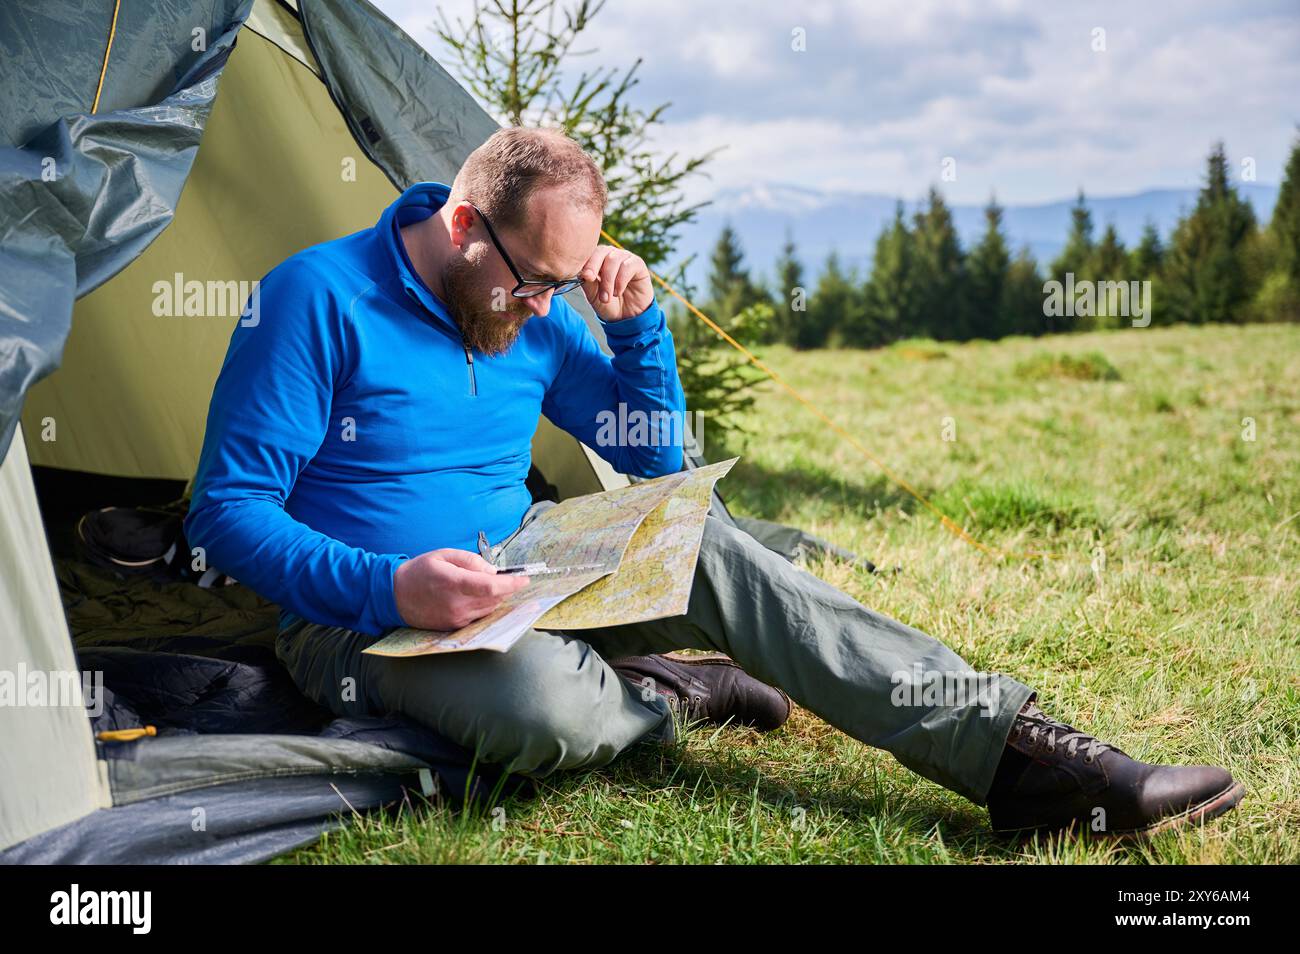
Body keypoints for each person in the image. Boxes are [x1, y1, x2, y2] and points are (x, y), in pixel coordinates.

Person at [186, 127, 1244, 839]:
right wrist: (390, 587)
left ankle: (1029, 760)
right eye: (535, 283)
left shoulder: (533, 311)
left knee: (713, 545)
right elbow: (226, 515)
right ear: (464, 227)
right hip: (363, 622)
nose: (547, 309)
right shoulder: (312, 300)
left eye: (567, 285)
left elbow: (652, 459)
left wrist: (637, 327)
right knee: (549, 718)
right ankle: (666, 694)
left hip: (527, 567)